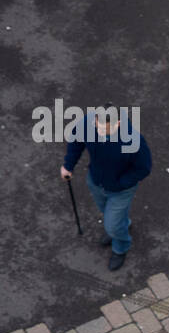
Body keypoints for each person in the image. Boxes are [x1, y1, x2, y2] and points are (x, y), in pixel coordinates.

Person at [61, 109, 152, 271]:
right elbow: (76, 141)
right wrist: (68, 165)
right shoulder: (88, 124)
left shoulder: (132, 140)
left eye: (105, 128)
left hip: (121, 190)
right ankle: (122, 225)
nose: (100, 131)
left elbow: (143, 168)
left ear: (118, 123)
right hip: (96, 182)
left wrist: (121, 183)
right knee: (108, 212)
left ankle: (121, 247)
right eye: (98, 126)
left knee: (112, 225)